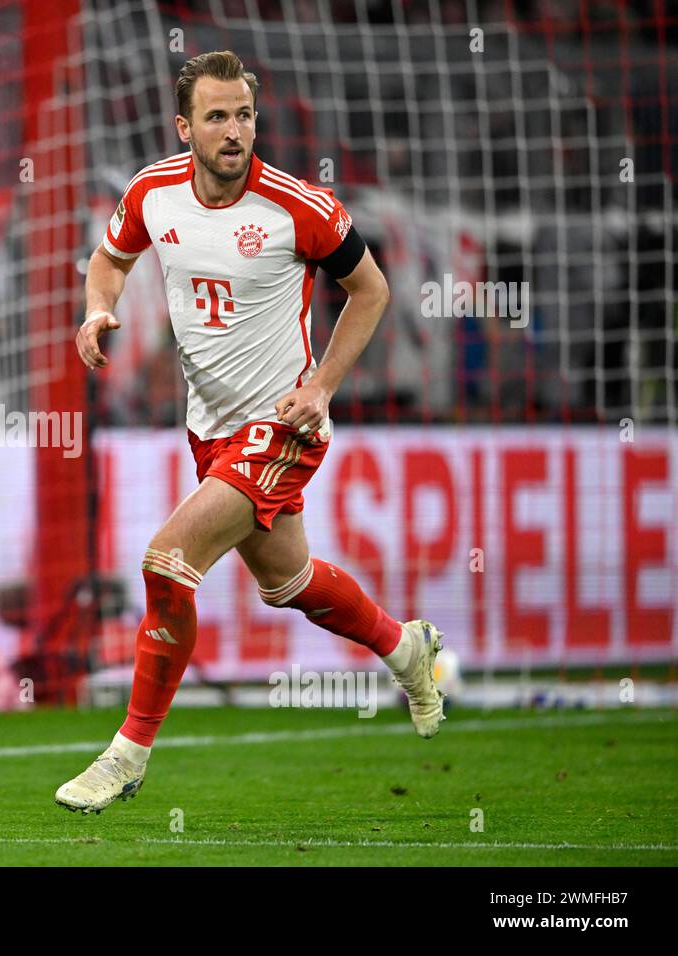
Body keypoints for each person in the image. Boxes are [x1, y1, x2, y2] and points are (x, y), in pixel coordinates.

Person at [56, 51, 445, 815]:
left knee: (168, 562)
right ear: (185, 127)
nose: (234, 132)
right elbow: (107, 260)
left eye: (243, 115)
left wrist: (321, 389)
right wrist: (97, 309)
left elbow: (370, 290)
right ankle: (407, 648)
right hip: (210, 429)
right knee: (288, 583)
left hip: (283, 426)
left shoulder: (297, 205)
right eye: (216, 117)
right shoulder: (151, 193)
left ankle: (125, 756)